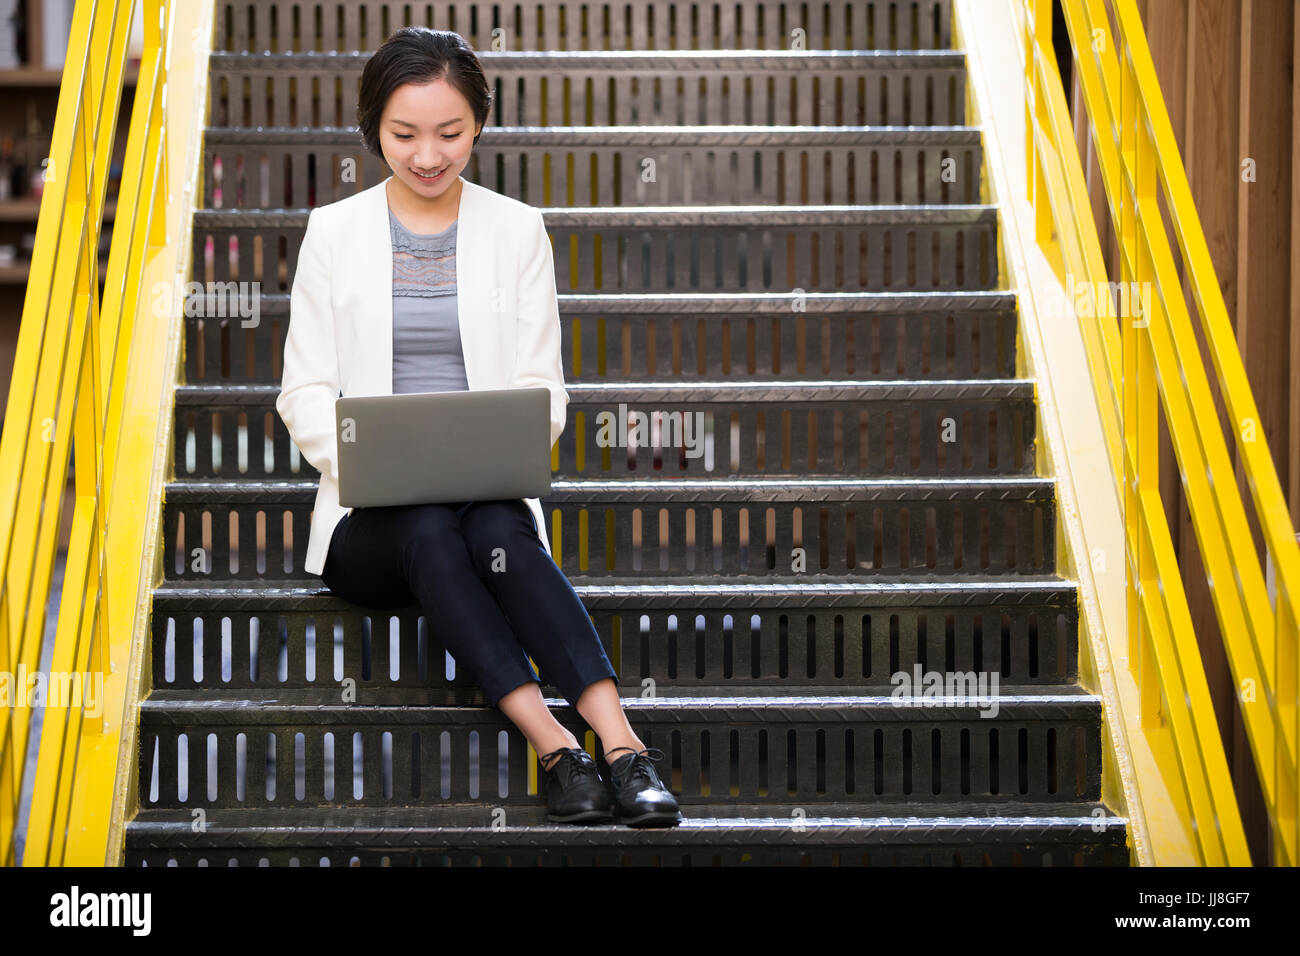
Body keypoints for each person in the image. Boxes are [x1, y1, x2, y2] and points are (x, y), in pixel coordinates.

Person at [276, 27, 680, 827]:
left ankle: (623, 747)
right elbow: (304, 390)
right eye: (404, 135)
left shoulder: (516, 229)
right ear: (373, 129)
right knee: (427, 525)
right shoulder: (334, 232)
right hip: (370, 526)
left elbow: (541, 385)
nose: (428, 155)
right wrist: (365, 461)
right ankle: (556, 746)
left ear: (481, 126)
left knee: (493, 526)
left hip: (486, 505)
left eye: (450, 134)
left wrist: (508, 444)